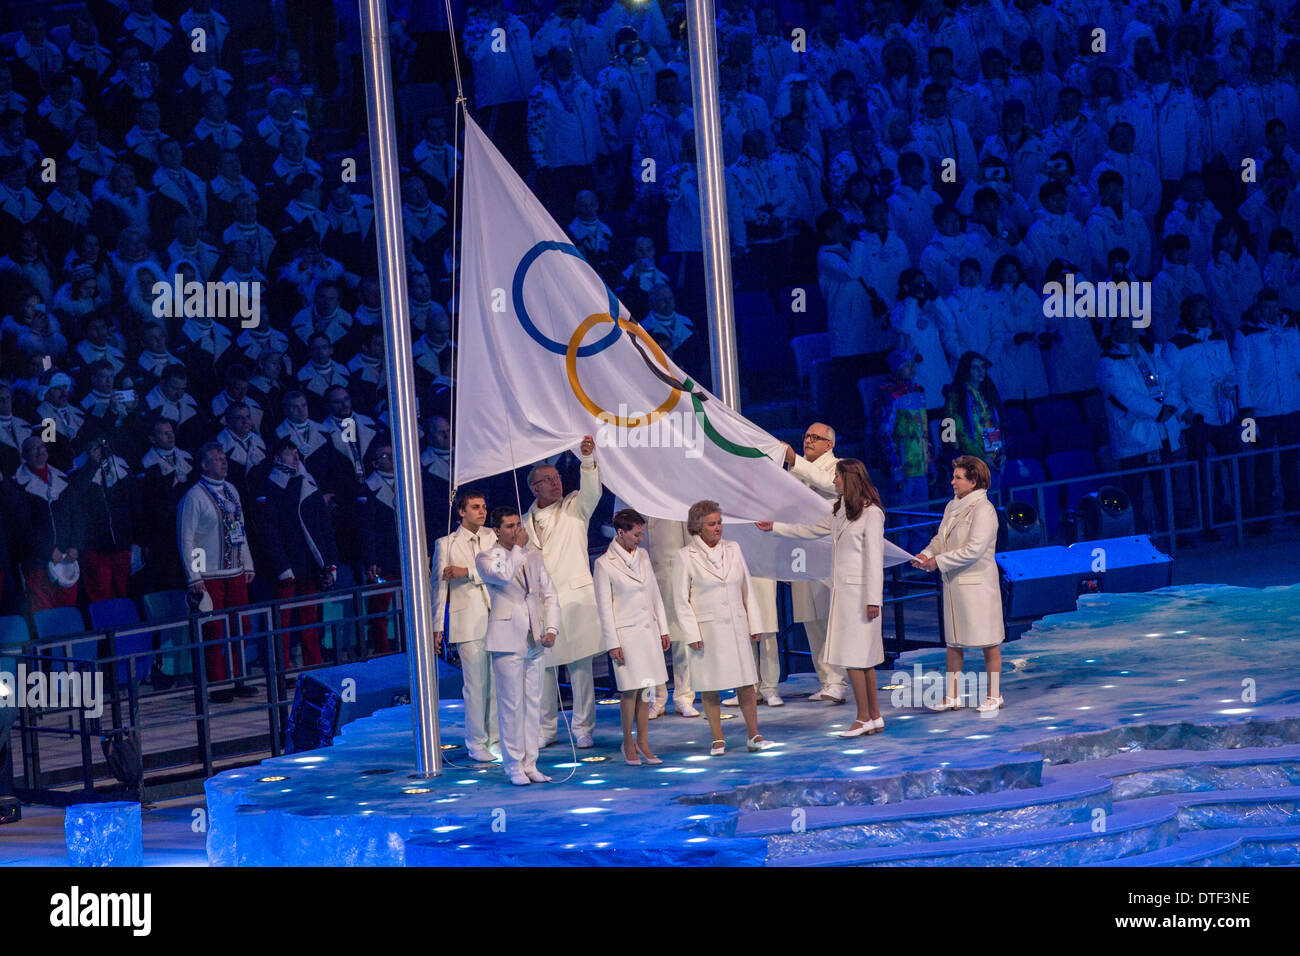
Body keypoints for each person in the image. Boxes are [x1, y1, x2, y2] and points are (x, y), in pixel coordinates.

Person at [758, 459, 887, 736]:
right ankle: (874, 716)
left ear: (849, 478)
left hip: (862, 596)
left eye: (838, 477)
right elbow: (810, 530)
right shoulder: (840, 510)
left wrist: (874, 599)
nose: (834, 481)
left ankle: (864, 717)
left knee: (857, 658)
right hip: (844, 594)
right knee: (858, 658)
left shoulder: (871, 513)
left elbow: (875, 559)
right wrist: (775, 528)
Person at [672, 499, 777, 755]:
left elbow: (747, 590)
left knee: (746, 683)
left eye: (719, 522)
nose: (718, 527)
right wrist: (691, 633)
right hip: (707, 631)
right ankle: (717, 738)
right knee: (710, 684)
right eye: (711, 524)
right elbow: (680, 600)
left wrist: (755, 623)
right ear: (698, 527)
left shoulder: (734, 548)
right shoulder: (685, 556)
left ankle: (755, 735)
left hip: (736, 625)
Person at [523, 434, 604, 749]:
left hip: (575, 599)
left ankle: (583, 728)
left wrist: (586, 460)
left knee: (581, 669)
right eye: (547, 480)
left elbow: (592, 490)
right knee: (544, 669)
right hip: (542, 604)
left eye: (556, 477)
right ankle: (547, 729)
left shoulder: (574, 506)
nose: (555, 483)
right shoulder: (524, 520)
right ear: (534, 488)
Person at [912, 456, 1006, 714]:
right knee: (954, 643)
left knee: (988, 642)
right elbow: (940, 538)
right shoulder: (953, 506)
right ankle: (952, 695)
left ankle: (994, 694)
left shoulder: (983, 510)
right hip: (954, 585)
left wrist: (938, 562)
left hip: (977, 586)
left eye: (958, 477)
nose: (952, 481)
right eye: (953, 476)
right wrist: (926, 554)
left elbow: (974, 550)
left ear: (973, 481)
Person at [476, 506, 560, 787]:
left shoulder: (532, 556)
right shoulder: (486, 558)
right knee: (511, 705)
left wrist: (551, 628)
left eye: (517, 525)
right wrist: (519, 550)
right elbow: (503, 577)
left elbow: (550, 593)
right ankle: (513, 765)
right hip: (506, 639)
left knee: (533, 703)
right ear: (497, 530)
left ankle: (531, 763)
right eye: (509, 526)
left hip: (534, 638)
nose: (516, 530)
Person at [178, 442, 256, 702]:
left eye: (225, 458)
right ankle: (217, 684)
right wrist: (193, 576)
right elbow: (186, 538)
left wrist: (248, 563)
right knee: (214, 632)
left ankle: (237, 679)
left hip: (235, 573)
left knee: (240, 627)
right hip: (209, 576)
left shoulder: (232, 490)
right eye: (217, 459)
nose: (224, 462)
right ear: (204, 464)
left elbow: (240, 530)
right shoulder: (194, 496)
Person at [251, 437, 337, 672]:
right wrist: (282, 567)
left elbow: (323, 527)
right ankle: (283, 669)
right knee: (283, 623)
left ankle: (315, 666)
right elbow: (268, 533)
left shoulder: (308, 483)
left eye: (296, 452)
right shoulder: (268, 489)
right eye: (289, 453)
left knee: (311, 620)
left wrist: (329, 563)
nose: (296, 456)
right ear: (277, 458)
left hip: (309, 565)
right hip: (285, 569)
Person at [593, 508, 670, 765]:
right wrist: (612, 642)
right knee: (630, 691)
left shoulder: (644, 556)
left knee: (647, 687)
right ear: (620, 533)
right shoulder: (604, 564)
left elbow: (654, 594)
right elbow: (604, 608)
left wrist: (663, 629)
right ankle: (628, 741)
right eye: (636, 534)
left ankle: (643, 741)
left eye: (641, 534)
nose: (640, 539)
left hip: (648, 631)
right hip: (625, 635)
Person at [780, 422, 850, 703]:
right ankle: (825, 681)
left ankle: (838, 680)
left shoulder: (839, 467)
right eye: (806, 435)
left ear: (829, 444)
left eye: (815, 437)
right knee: (810, 620)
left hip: (827, 554)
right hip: (800, 555)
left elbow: (825, 485)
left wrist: (794, 460)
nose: (808, 440)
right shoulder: (794, 473)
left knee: (831, 618)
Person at [431, 488, 500, 762]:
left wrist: (468, 573)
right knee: (475, 685)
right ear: (461, 511)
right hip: (467, 620)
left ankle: (495, 739)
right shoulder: (445, 544)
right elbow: (438, 588)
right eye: (475, 507)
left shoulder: (493, 537)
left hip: (497, 617)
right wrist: (436, 626)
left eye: (483, 506)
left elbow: (499, 572)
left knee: (497, 683)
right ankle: (476, 742)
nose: (482, 511)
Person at [11, 436, 79, 611]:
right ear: (24, 455)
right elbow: (22, 528)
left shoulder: (63, 479)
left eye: (42, 447)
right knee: (44, 613)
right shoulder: (16, 486)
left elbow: (77, 516)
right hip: (37, 562)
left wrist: (75, 545)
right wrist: (48, 550)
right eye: (34, 449)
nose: (40, 451)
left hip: (66, 560)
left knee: (68, 611)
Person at [644, 515, 698, 717]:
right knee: (649, 642)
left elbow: (689, 540)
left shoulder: (670, 496)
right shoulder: (631, 494)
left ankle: (684, 696)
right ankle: (656, 698)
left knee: (681, 640)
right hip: (642, 576)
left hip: (673, 575)